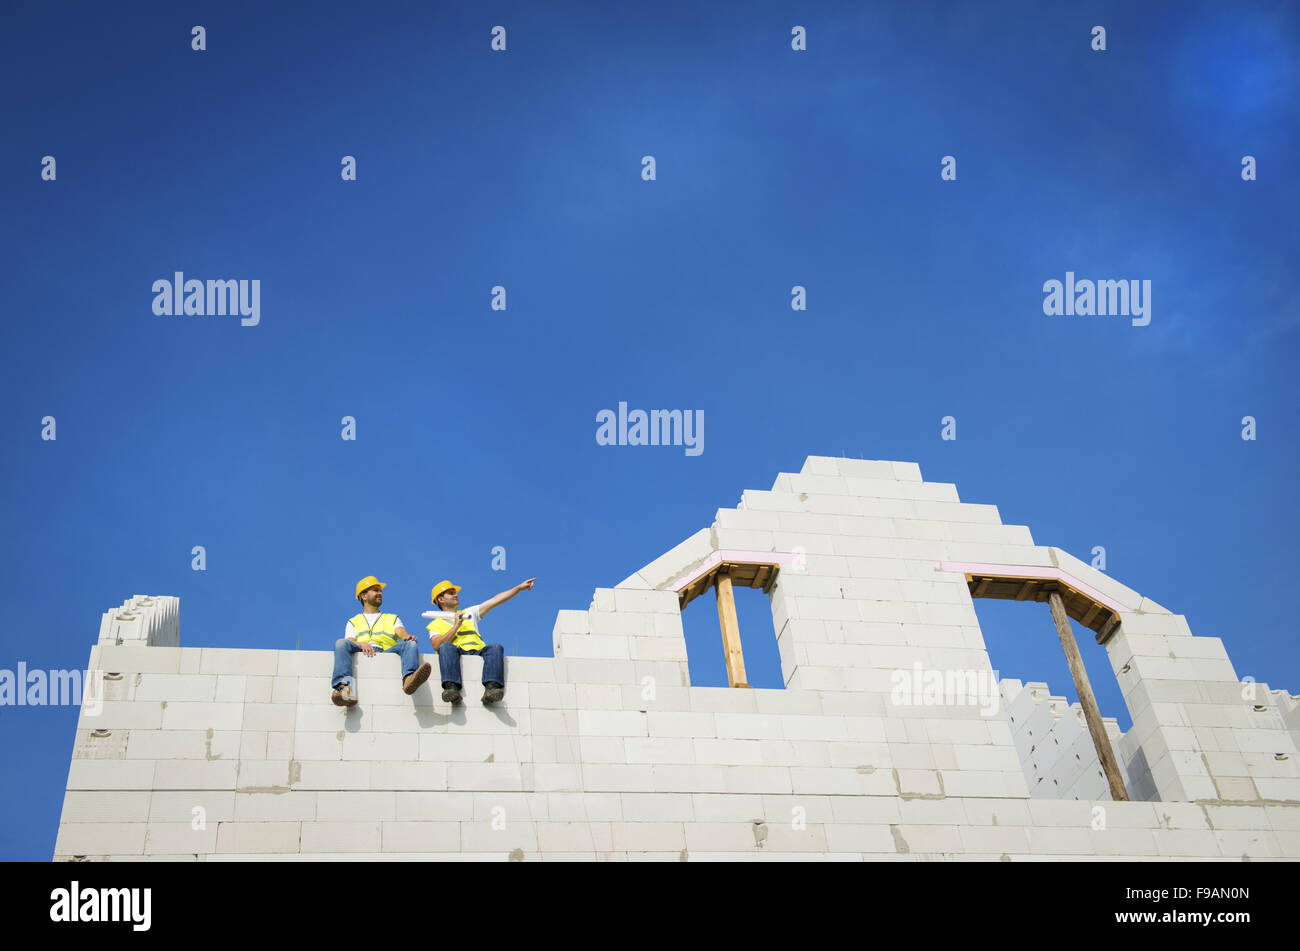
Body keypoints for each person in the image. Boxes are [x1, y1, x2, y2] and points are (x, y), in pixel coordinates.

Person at [427, 578, 535, 705]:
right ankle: (451, 689)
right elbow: (437, 645)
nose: (456, 595)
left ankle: (492, 689)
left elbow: (495, 600)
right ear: (441, 599)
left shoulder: (468, 613)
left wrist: (518, 588)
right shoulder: (435, 624)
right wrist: (456, 626)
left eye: (455, 592)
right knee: (446, 647)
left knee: (495, 647)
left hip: (477, 651)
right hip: (456, 654)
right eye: (451, 593)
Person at [331, 576, 432, 706]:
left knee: (410, 644)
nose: (379, 593)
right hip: (362, 649)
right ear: (364, 596)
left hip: (386, 651)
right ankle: (344, 688)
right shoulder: (353, 621)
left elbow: (401, 631)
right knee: (340, 643)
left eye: (380, 591)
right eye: (375, 590)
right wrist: (361, 644)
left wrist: (407, 637)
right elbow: (349, 641)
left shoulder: (392, 618)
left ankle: (409, 679)